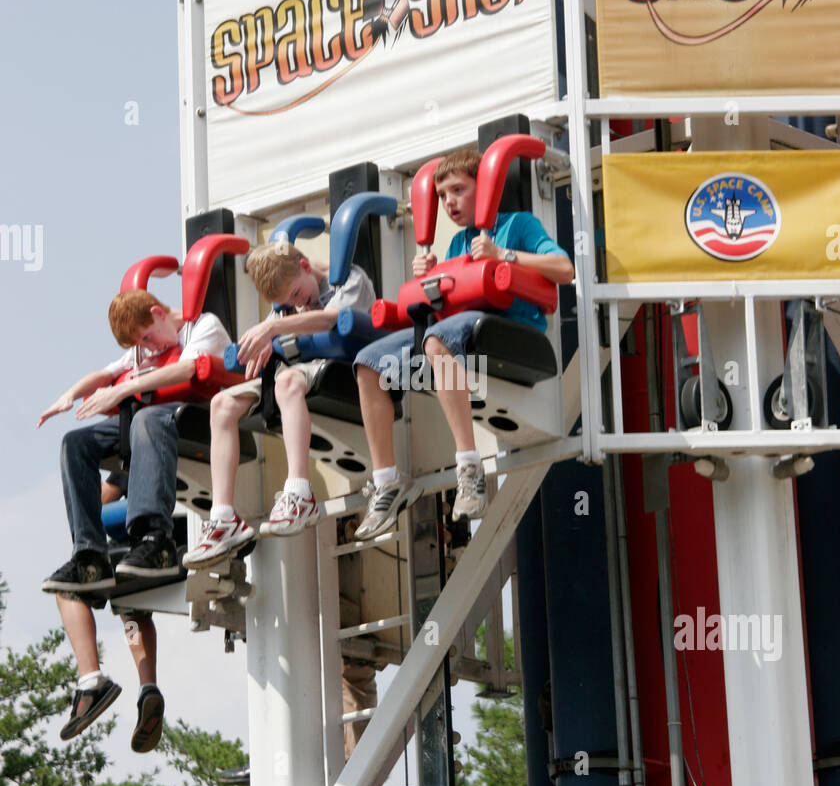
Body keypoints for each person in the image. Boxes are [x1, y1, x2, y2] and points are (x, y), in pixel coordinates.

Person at [351, 148, 574, 540]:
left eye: (458, 190)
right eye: (442, 196)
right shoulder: (456, 244)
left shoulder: (517, 224)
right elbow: (443, 310)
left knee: (438, 342)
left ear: (483, 188)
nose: (449, 202)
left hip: (510, 335)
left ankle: (469, 468)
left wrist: (502, 255)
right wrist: (429, 278)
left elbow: (564, 269)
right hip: (461, 336)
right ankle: (386, 480)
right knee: (368, 361)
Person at [183, 241, 374, 565]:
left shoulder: (348, 279)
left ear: (303, 267)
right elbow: (274, 336)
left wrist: (274, 328)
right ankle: (224, 518)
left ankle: (300, 492)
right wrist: (263, 345)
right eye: (286, 303)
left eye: (297, 296)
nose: (297, 304)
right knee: (221, 405)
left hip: (342, 366)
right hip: (297, 367)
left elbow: (329, 320)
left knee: (287, 381)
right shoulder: (284, 307)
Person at [39, 289, 230, 592]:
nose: (148, 347)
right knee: (74, 443)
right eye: (142, 344)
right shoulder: (144, 349)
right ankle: (89, 554)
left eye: (147, 338)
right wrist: (69, 396)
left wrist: (125, 390)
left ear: (157, 313)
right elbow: (106, 374)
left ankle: (155, 539)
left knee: (145, 417)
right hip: (149, 422)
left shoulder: (203, 325)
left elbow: (187, 368)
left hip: (198, 415)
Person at [54, 473, 165, 752]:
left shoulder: (138, 452)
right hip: (170, 540)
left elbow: (102, 498)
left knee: (66, 589)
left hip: (139, 541)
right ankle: (147, 686)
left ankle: (91, 679)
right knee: (131, 611)